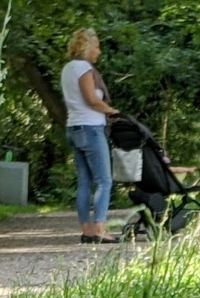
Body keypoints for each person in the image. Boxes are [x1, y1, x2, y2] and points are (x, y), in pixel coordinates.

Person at [60, 28, 119, 244]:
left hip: (74, 128)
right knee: (104, 180)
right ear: (86, 48)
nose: (99, 51)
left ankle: (86, 230)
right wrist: (112, 111)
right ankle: (100, 228)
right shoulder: (83, 68)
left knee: (84, 181)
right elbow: (91, 100)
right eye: (96, 47)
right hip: (91, 128)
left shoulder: (67, 69)